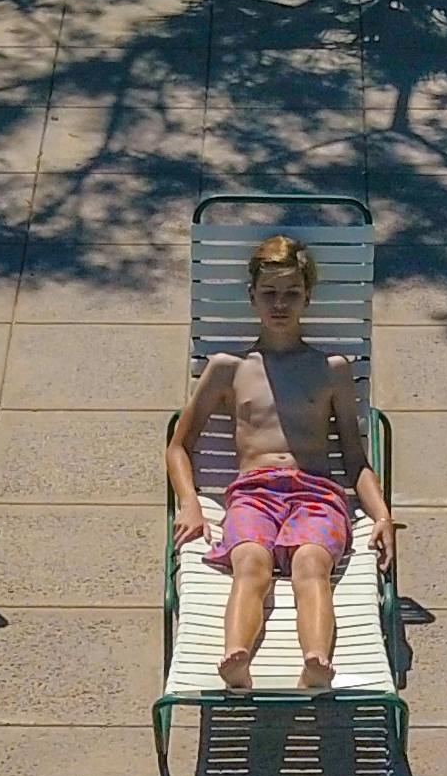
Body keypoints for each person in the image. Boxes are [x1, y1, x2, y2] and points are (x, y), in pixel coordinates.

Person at [167, 233, 392, 692]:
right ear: (252, 297)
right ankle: (237, 659)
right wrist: (189, 502)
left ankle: (315, 661)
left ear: (307, 297)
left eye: (291, 293)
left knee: (313, 565)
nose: (280, 304)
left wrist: (382, 514)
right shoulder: (229, 367)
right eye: (269, 293)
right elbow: (178, 445)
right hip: (252, 493)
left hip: (318, 495)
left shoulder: (332, 369)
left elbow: (355, 458)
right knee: (250, 562)